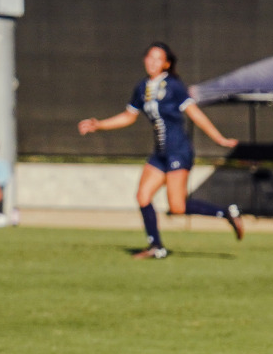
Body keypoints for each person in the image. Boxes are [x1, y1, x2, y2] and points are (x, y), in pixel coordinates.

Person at [78, 43, 244, 259]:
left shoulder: (173, 86)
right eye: (150, 57)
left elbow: (194, 113)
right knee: (143, 196)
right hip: (160, 154)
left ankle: (228, 213)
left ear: (166, 64)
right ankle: (156, 247)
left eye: (158, 59)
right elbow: (129, 116)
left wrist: (218, 138)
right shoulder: (142, 88)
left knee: (177, 206)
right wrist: (99, 124)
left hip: (178, 151)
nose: (152, 62)